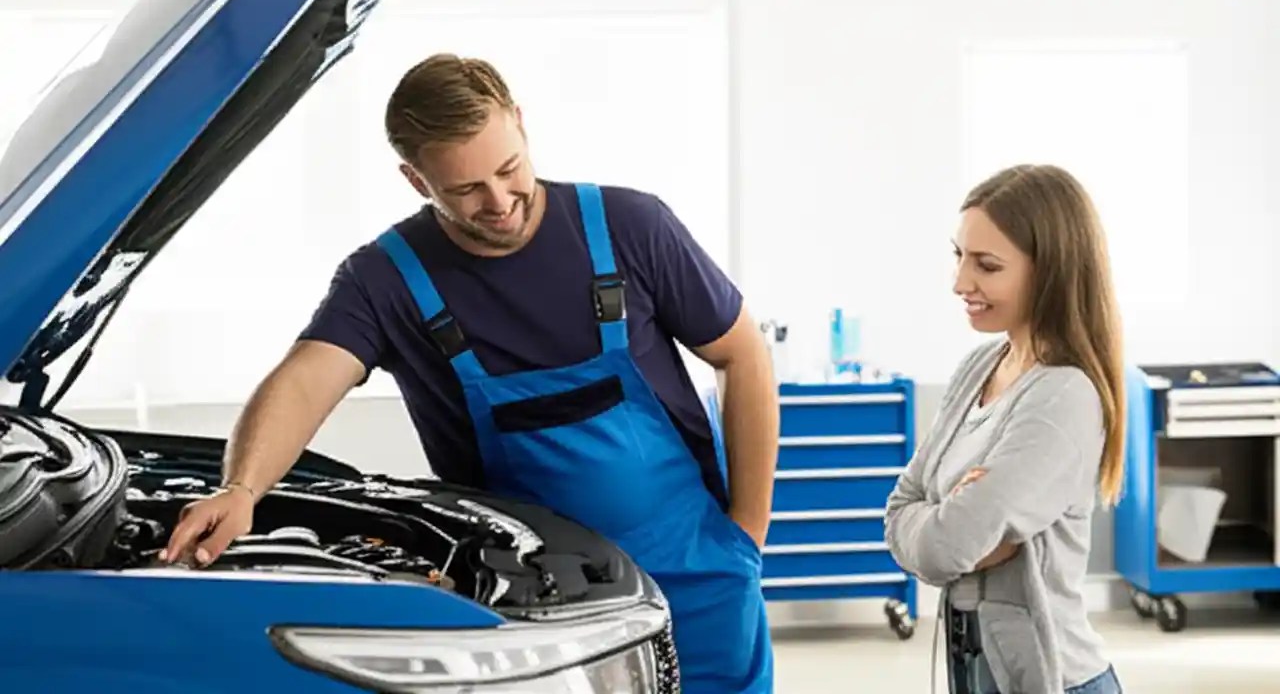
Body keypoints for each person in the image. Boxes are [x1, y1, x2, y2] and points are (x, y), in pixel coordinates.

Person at [159, 53, 779, 692]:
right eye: (465, 190)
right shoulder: (386, 281)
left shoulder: (631, 227)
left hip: (701, 581)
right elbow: (303, 381)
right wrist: (243, 488)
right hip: (541, 627)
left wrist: (746, 537)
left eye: (509, 169)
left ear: (519, 122)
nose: (501, 201)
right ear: (416, 179)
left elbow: (743, 354)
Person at [884, 164, 1126, 694]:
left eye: (987, 266)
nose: (960, 283)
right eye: (959, 256)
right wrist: (953, 521)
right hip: (977, 670)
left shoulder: (1062, 396)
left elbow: (944, 550)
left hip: (1054, 679)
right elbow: (901, 508)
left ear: (1052, 274)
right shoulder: (980, 365)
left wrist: (950, 523)